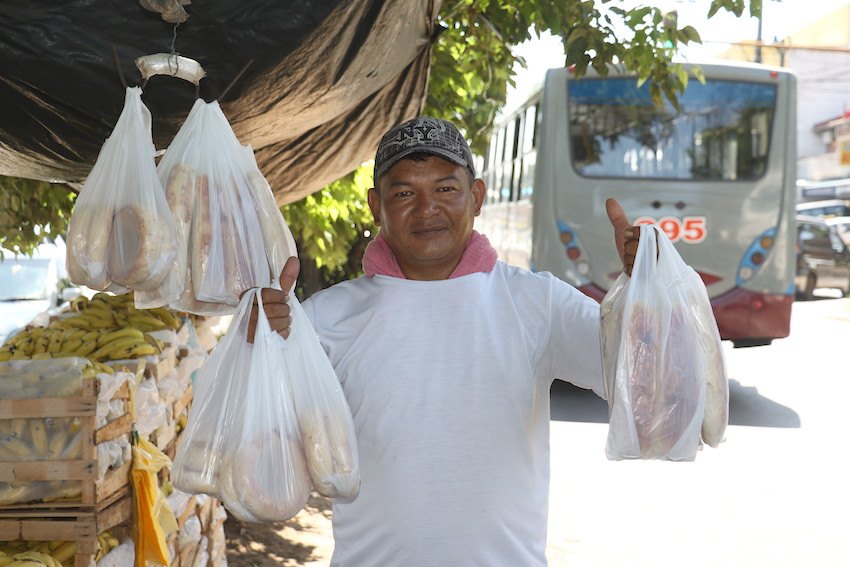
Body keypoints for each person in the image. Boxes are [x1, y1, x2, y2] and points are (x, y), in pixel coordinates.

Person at [251, 116, 640, 566]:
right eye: (403, 193)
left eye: (445, 188)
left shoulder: (538, 302)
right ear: (376, 206)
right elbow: (266, 452)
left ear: (476, 196)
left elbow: (642, 380)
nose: (426, 208)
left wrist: (645, 290)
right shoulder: (325, 317)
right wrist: (262, 346)